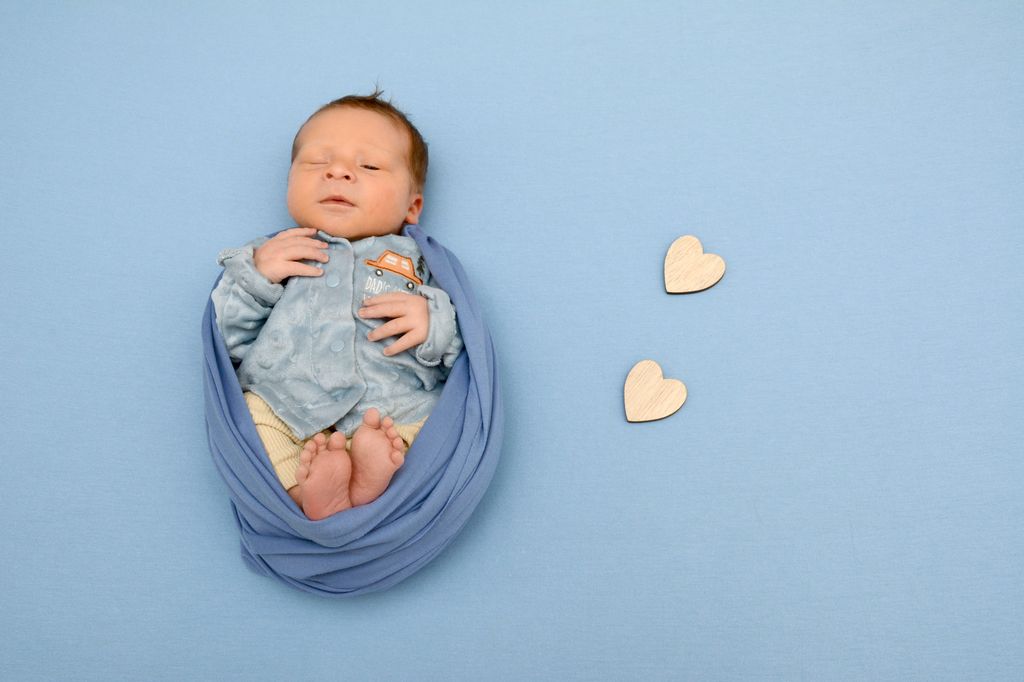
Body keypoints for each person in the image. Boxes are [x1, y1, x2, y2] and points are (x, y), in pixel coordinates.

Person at [211, 91, 462, 521]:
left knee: (435, 425)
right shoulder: (276, 254)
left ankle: (369, 484)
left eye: (368, 166)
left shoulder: (419, 262)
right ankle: (303, 497)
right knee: (250, 416)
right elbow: (226, 339)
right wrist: (256, 277)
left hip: (390, 409)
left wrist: (431, 322)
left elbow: (459, 348)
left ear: (412, 206)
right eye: (316, 163)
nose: (339, 172)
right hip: (286, 403)